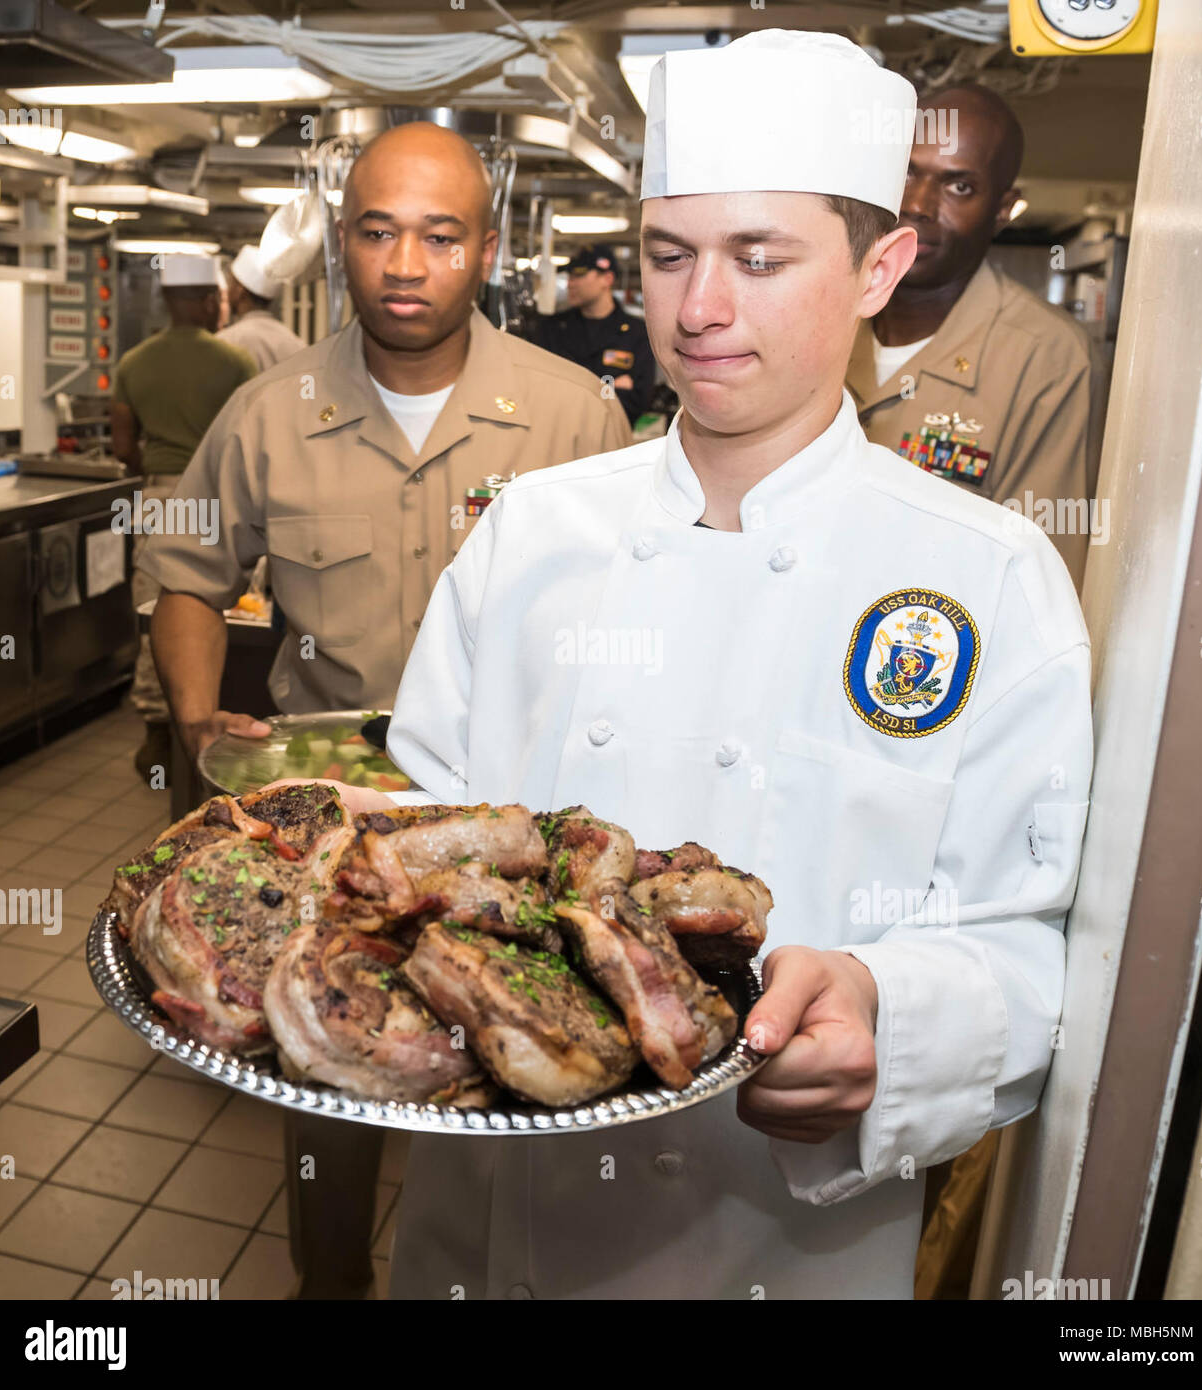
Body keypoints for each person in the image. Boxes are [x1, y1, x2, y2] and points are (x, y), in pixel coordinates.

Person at [329, 29, 1091, 1300]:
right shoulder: (533, 529)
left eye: (760, 257)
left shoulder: (988, 577)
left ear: (878, 268)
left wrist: (887, 1014)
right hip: (492, 1221)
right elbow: (418, 841)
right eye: (669, 254)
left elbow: (1033, 942)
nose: (698, 311)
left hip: (780, 1242)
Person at [137, 120, 630, 1299]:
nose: (404, 264)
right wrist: (202, 722)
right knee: (328, 1094)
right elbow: (187, 571)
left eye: (439, 235)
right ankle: (332, 1285)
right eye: (376, 231)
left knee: (528, 1064)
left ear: (489, 248)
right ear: (342, 244)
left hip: (513, 836)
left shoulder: (573, 421)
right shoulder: (270, 413)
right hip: (337, 834)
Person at [846, 83, 1104, 590]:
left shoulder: (1045, 357)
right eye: (906, 173)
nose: (917, 205)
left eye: (958, 186)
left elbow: (1040, 581)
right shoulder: (823, 315)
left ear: (1004, 209)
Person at [109, 254, 257, 779]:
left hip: (154, 498)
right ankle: (196, 726)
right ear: (204, 300)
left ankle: (155, 731)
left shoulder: (133, 362)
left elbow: (122, 443)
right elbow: (251, 443)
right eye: (216, 298)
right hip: (214, 499)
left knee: (158, 611)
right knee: (213, 605)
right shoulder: (234, 362)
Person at [530, 244, 656, 424]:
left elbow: (637, 402)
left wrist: (573, 390)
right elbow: (541, 391)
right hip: (559, 433)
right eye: (570, 275)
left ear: (607, 278)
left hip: (613, 443)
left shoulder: (637, 334)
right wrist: (608, 387)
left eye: (579, 275)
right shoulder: (551, 329)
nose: (570, 283)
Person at [216, 244, 305, 372]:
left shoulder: (226, 342)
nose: (227, 289)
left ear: (240, 291)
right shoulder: (295, 342)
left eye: (231, 282)